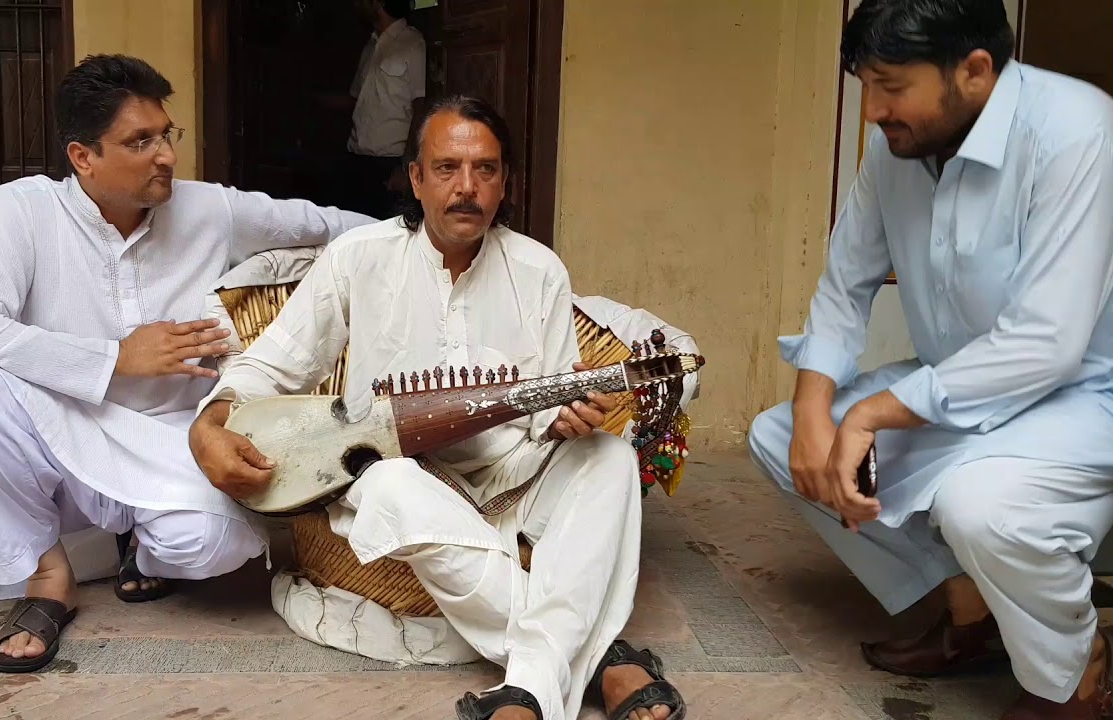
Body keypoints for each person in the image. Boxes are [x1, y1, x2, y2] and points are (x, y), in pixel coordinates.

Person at [188, 95, 687, 720]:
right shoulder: (359, 258)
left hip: (513, 475)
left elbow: (547, 418)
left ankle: (529, 687)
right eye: (447, 168)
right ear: (416, 179)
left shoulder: (540, 272)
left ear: (506, 182)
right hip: (404, 473)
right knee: (390, 486)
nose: (466, 188)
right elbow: (272, 364)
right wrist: (209, 421)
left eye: (486, 169)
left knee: (609, 457)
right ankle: (600, 662)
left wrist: (571, 414)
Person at [0, 53, 374, 673]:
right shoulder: (24, 209)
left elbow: (328, 227)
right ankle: (46, 577)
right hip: (63, 429)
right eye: (140, 141)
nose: (166, 155)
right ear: (83, 157)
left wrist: (425, 234)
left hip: (172, 441)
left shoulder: (207, 209)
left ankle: (143, 549)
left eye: (166, 134)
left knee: (225, 544)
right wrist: (115, 359)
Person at [747, 1, 1113, 717]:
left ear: (974, 71)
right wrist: (818, 411)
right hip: (952, 391)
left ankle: (1077, 673)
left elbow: (1048, 342)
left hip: (1079, 401)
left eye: (891, 86)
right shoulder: (897, 146)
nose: (874, 110)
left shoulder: (1077, 131)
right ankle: (970, 613)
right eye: (865, 86)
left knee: (981, 510)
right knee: (781, 436)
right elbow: (844, 286)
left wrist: (877, 413)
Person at [317, 0, 426, 218]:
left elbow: (420, 107)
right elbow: (355, 100)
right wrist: (313, 99)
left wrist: (406, 167)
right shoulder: (370, 46)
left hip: (389, 162)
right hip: (357, 157)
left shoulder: (411, 42)